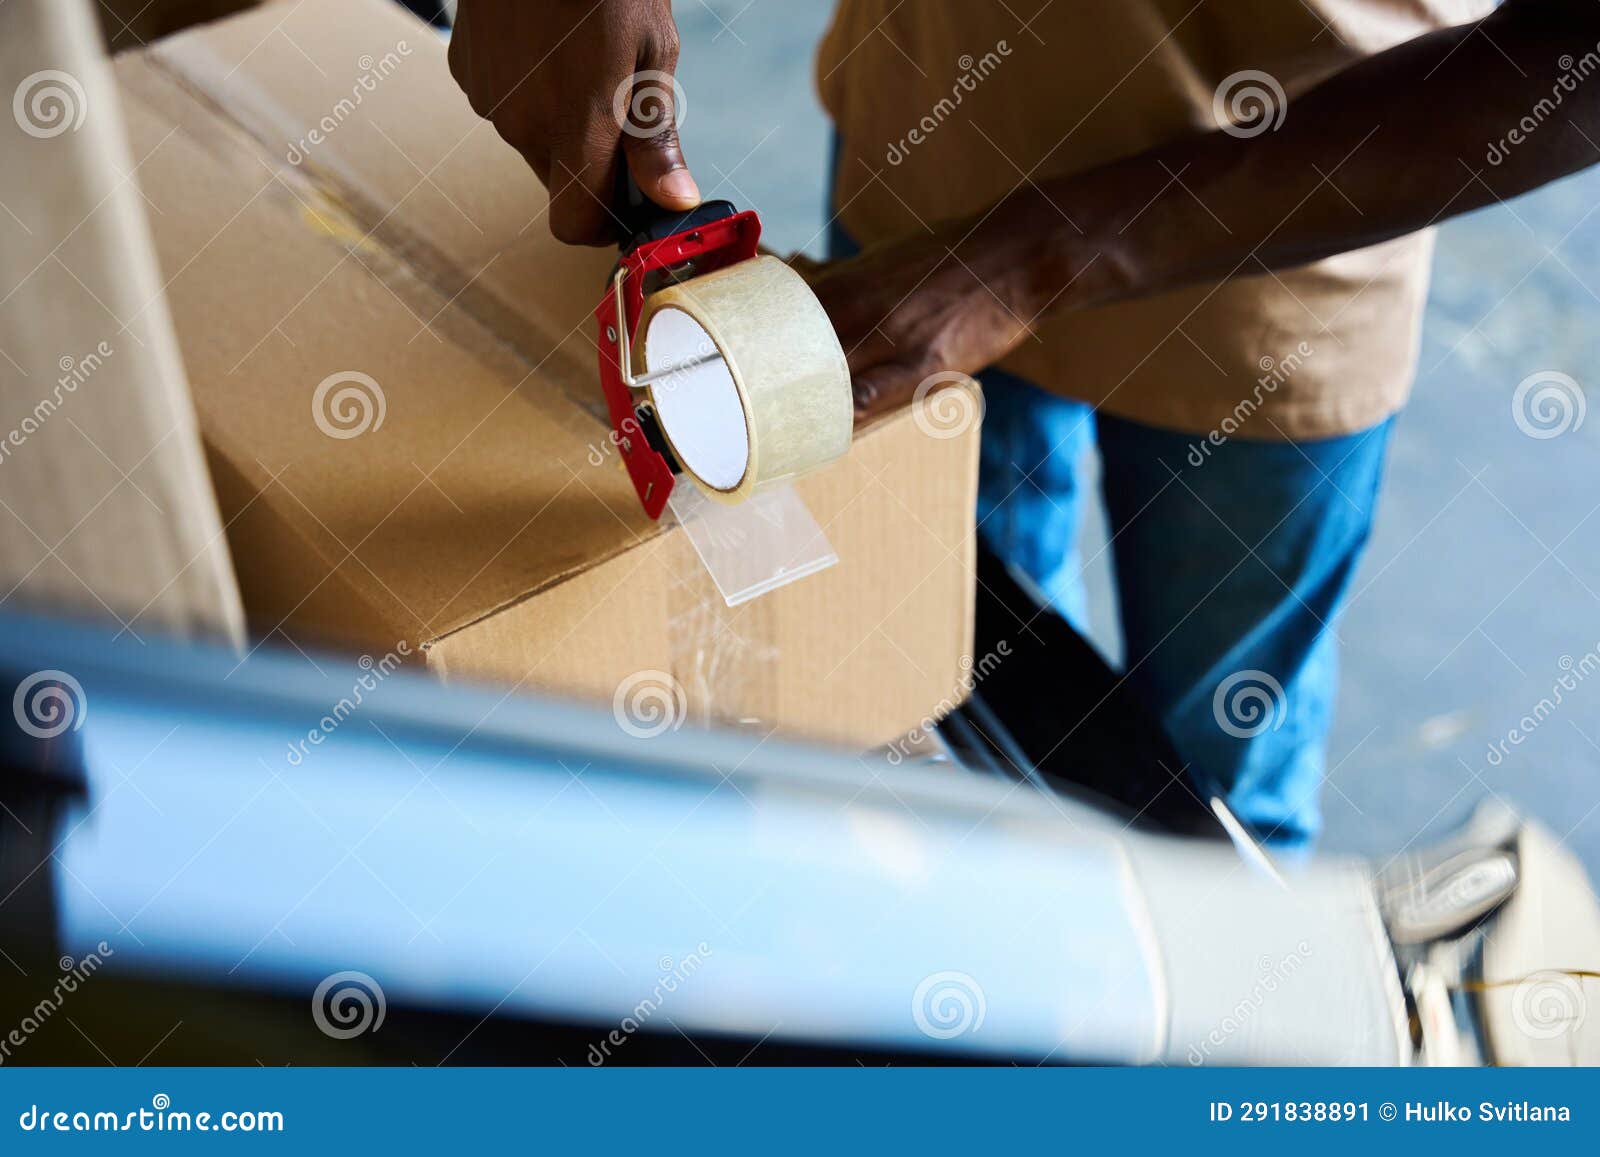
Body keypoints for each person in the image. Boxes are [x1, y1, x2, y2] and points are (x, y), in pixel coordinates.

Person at [448, 0, 1600, 848]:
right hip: (933, 140)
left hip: (1285, 235)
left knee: (1208, 792)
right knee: (954, 672)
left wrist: (1025, 264)